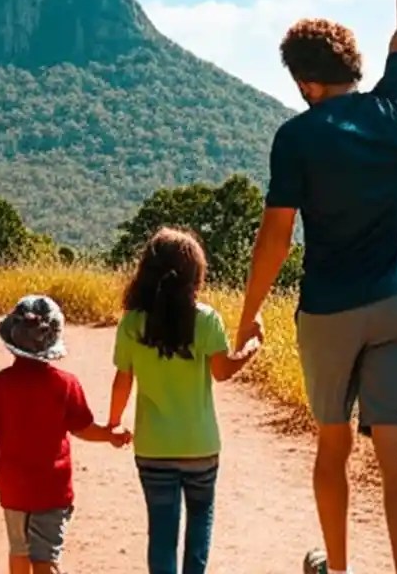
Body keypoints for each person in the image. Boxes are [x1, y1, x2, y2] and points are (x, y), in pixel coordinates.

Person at [233, 0, 397, 574]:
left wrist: (249, 316)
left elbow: (277, 239)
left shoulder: (296, 137)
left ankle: (338, 569)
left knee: (333, 444)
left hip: (328, 313)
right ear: (350, 69)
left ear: (304, 80)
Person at [106, 227, 261, 574]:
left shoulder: (132, 323)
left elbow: (123, 380)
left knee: (161, 533)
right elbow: (222, 371)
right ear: (195, 275)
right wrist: (252, 347)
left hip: (153, 446)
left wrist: (114, 423)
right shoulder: (206, 319)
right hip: (200, 445)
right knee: (199, 524)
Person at [0, 294, 130, 574]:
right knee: (45, 558)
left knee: (19, 551)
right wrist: (109, 435)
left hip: (14, 485)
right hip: (52, 489)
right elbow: (82, 428)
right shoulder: (65, 385)